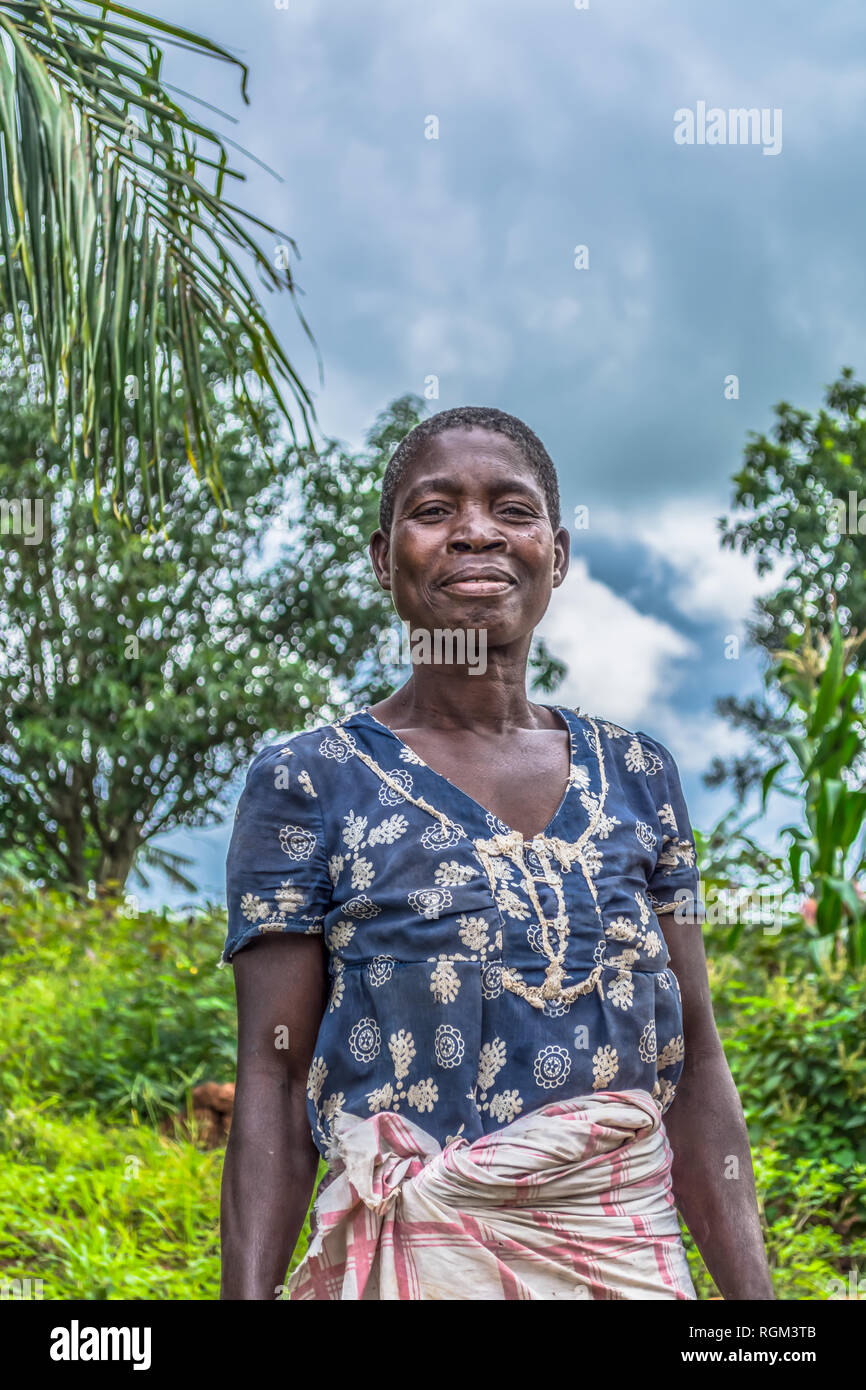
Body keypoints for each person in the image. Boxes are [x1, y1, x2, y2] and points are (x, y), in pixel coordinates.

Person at [218, 405, 775, 1301]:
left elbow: (699, 1062)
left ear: (556, 553)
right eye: (435, 510)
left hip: (622, 1261)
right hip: (415, 1265)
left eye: (511, 510)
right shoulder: (310, 781)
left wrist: (760, 1323)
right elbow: (275, 1079)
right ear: (382, 556)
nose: (475, 531)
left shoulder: (638, 774)